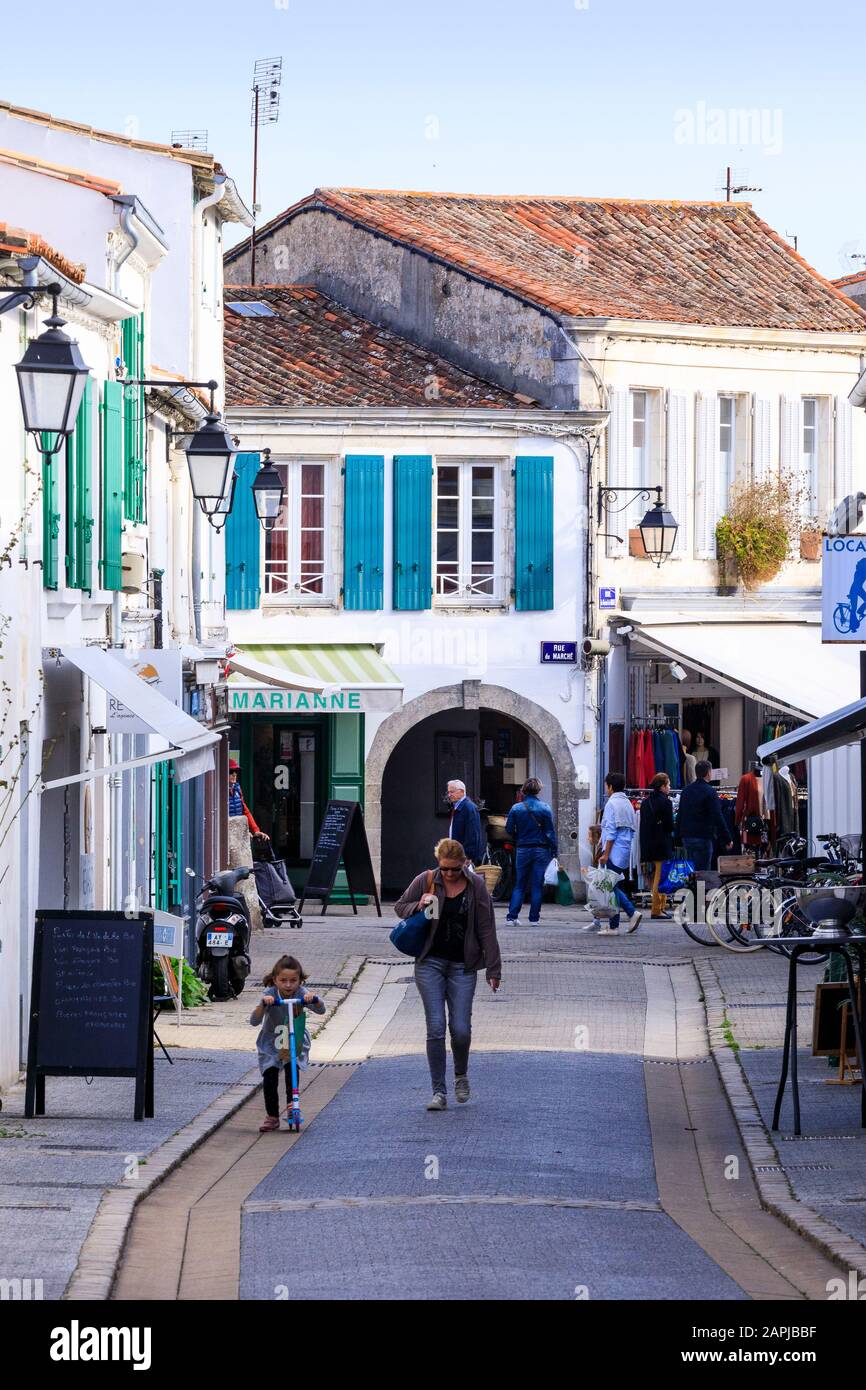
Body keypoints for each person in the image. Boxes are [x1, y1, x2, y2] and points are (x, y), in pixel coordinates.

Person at [395, 838, 501, 1111]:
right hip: (430, 962)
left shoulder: (476, 885)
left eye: (454, 869)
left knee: (461, 1030)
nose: (449, 874)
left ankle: (461, 1075)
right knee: (436, 1026)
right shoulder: (428, 879)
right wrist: (418, 904)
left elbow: (486, 928)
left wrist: (493, 968)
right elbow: (399, 907)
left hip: (463, 967)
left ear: (465, 863)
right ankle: (438, 1091)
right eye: (445, 869)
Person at [250, 954, 326, 1132]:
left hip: (293, 1037)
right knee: (270, 1075)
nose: (288, 985)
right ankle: (272, 1116)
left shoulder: (301, 993)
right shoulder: (269, 994)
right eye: (283, 980)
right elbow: (254, 1021)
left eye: (293, 980)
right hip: (271, 1039)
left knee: (292, 1070)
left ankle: (293, 1106)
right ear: (275, 980)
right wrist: (264, 1004)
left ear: (300, 980)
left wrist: (314, 999)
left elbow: (321, 1010)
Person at [504, 777, 557, 926]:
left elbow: (508, 829)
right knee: (537, 885)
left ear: (523, 790)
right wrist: (554, 850)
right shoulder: (545, 808)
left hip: (523, 848)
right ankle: (534, 918)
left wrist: (518, 837)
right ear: (538, 790)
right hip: (541, 849)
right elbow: (550, 833)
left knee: (520, 884)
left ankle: (512, 917)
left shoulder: (516, 808)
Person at [595, 772, 642, 934]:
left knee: (609, 886)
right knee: (613, 885)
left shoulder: (611, 804)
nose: (606, 789)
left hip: (614, 852)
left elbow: (611, 832)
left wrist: (605, 853)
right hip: (625, 851)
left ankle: (629, 914)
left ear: (611, 787)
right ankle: (615, 924)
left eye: (606, 786)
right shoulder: (628, 803)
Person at [675, 760, 732, 870]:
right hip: (703, 836)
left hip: (687, 837)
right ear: (709, 773)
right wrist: (727, 838)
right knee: (703, 871)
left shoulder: (686, 791)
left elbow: (680, 814)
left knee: (691, 869)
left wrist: (677, 837)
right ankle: (700, 888)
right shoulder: (710, 791)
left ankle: (692, 887)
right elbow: (717, 816)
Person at [639, 772, 675, 920]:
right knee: (661, 878)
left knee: (656, 876)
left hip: (648, 843)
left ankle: (660, 907)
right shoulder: (666, 802)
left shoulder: (646, 802)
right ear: (662, 786)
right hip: (662, 843)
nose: (670, 787)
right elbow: (669, 826)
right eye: (668, 784)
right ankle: (656, 909)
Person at [228, 758, 269, 840]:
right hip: (226, 834)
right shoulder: (218, 791)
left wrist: (255, 830)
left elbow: (245, 810)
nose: (234, 774)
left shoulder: (237, 789)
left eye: (236, 771)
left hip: (237, 833)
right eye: (231, 771)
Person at [446, 779, 484, 865]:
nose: (449, 795)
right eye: (448, 792)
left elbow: (473, 835)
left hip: (465, 859)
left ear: (462, 792)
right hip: (457, 855)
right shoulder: (457, 806)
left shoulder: (469, 808)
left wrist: (467, 856)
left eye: (452, 792)